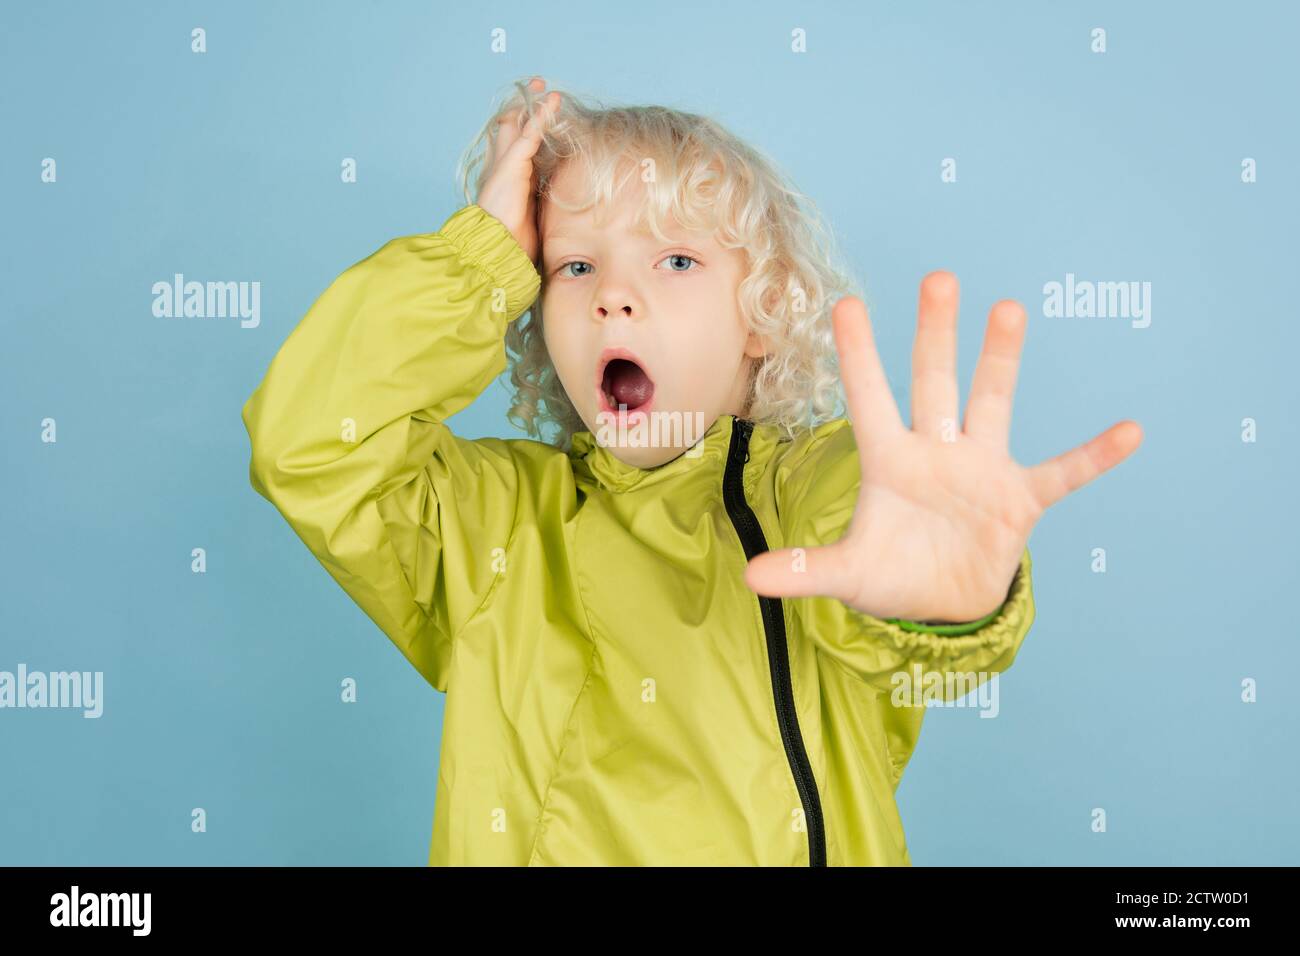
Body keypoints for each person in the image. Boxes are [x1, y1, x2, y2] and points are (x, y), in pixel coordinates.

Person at [241, 76, 1142, 865]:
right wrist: (479, 260)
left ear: (760, 315)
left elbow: (871, 530)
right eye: (574, 264)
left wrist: (937, 584)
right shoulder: (496, 527)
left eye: (675, 259)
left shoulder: (811, 492)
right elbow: (313, 440)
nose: (613, 294)